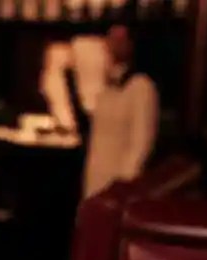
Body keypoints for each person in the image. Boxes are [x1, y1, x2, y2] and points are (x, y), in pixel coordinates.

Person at [66, 24, 159, 198]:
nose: (114, 44)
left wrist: (122, 186)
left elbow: (141, 143)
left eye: (120, 39)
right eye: (111, 38)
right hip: (95, 179)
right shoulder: (105, 87)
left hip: (117, 184)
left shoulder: (141, 86)